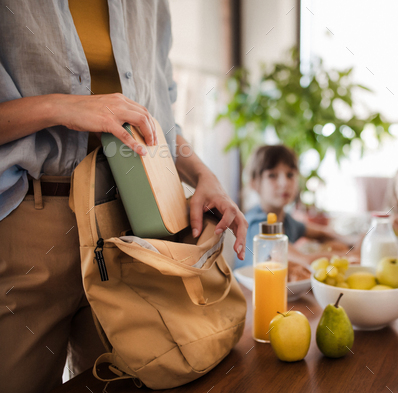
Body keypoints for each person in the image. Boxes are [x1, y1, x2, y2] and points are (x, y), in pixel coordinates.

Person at [0, 2, 247, 392]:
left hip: (130, 225)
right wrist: (63, 106)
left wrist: (202, 174)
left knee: (122, 383)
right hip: (33, 223)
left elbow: (159, 117)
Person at [236, 145, 353, 270]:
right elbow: (304, 260)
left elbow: (322, 233)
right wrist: (351, 256)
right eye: (272, 175)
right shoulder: (255, 223)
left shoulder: (287, 221)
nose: (284, 183)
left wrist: (352, 241)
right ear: (254, 183)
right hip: (248, 289)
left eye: (290, 175)